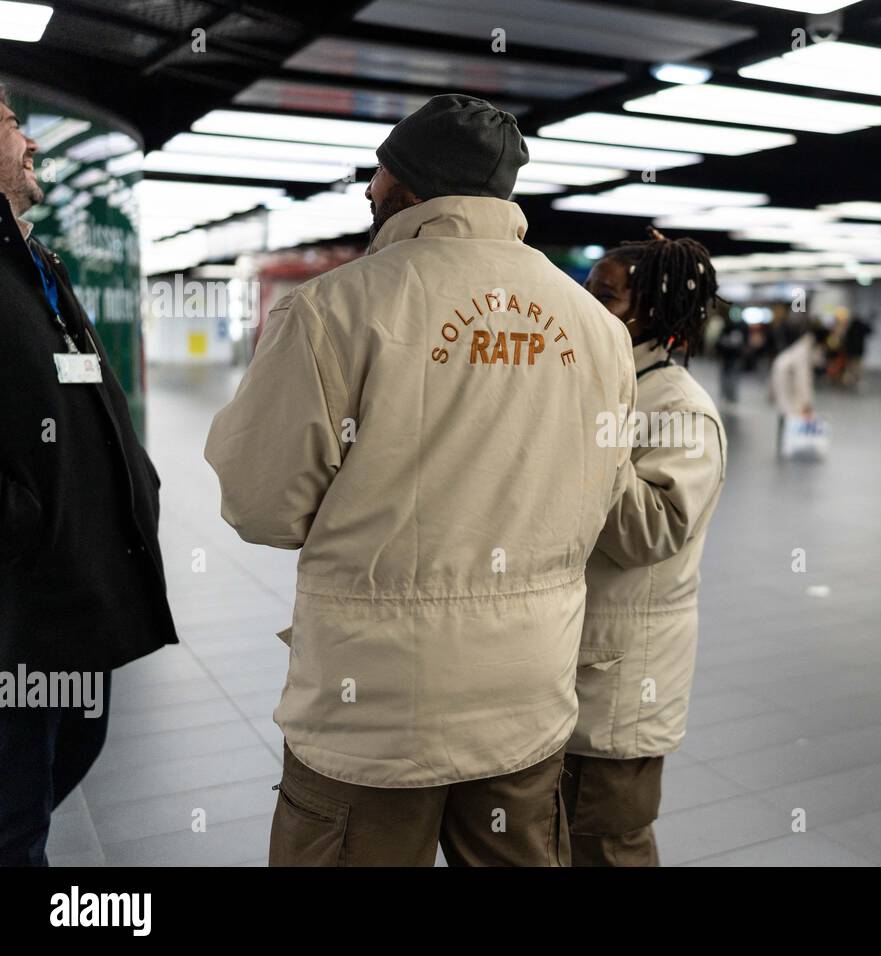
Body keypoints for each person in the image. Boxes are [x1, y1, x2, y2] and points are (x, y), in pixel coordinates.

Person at [204, 94, 637, 867]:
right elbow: (603, 494)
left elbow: (262, 504)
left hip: (372, 713)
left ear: (404, 181)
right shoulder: (598, 330)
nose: (369, 191)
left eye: (376, 173)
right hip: (527, 696)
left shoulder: (333, 310)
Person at [0, 84, 178, 865]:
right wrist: (24, 523)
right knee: (12, 829)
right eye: (12, 126)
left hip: (68, 605)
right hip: (17, 610)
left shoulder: (29, 257)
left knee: (51, 773)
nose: (31, 144)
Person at [566, 232, 727, 865]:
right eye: (587, 288)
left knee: (608, 841)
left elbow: (651, 530)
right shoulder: (604, 383)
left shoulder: (680, 409)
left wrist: (586, 443)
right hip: (574, 657)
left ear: (650, 312)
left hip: (623, 679)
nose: (586, 303)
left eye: (604, 295)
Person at [771, 320, 830, 457]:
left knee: (786, 410)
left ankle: (783, 444)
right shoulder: (803, 351)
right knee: (789, 410)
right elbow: (803, 380)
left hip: (784, 377)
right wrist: (807, 403)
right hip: (786, 380)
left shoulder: (805, 345)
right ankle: (785, 445)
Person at [715, 314, 746, 403]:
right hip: (726, 357)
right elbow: (719, 343)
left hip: (735, 358)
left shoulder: (741, 328)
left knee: (733, 377)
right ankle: (725, 395)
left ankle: (731, 396)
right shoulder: (726, 328)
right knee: (726, 377)